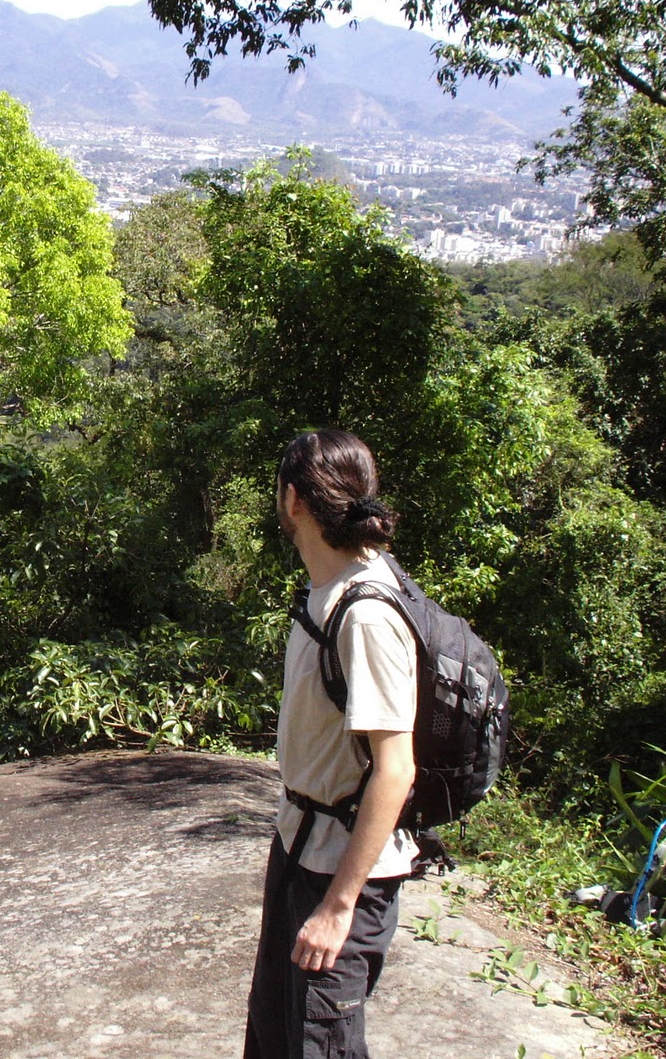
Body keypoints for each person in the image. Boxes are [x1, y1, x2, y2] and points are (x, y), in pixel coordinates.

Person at [243, 430, 418, 1059]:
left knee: (323, 1044)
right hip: (299, 847)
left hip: (341, 872)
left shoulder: (365, 613)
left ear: (291, 499)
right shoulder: (329, 593)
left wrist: (340, 905)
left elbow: (396, 768)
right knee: (276, 1031)